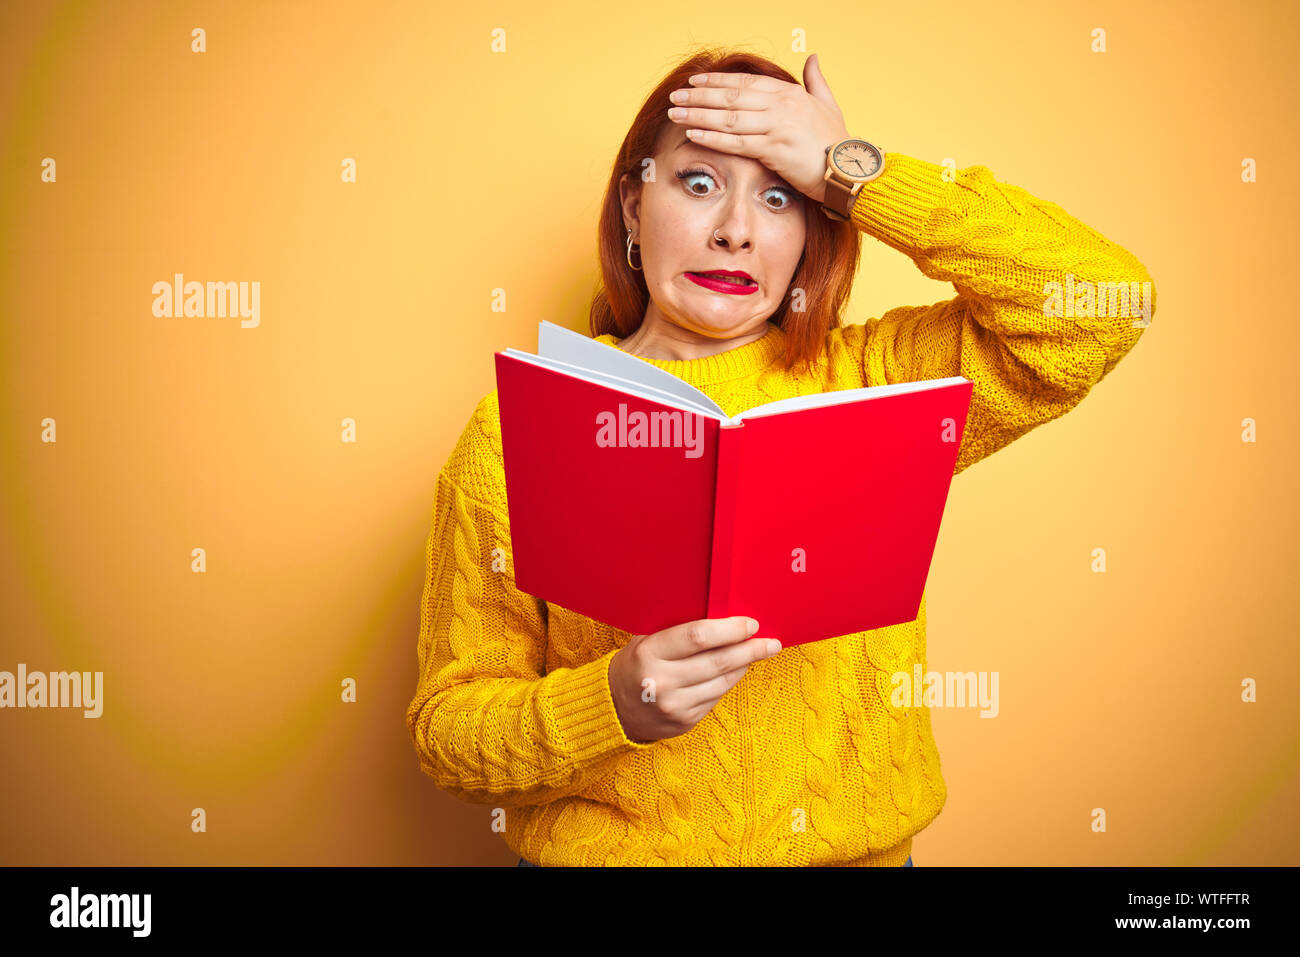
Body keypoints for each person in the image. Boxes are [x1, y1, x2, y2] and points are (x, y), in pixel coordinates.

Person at [405, 47, 1155, 867]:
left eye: (779, 194)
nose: (735, 229)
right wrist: (612, 699)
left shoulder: (877, 379)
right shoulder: (514, 431)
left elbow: (1103, 303)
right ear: (632, 202)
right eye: (698, 184)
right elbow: (449, 737)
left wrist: (853, 171)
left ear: (813, 228)